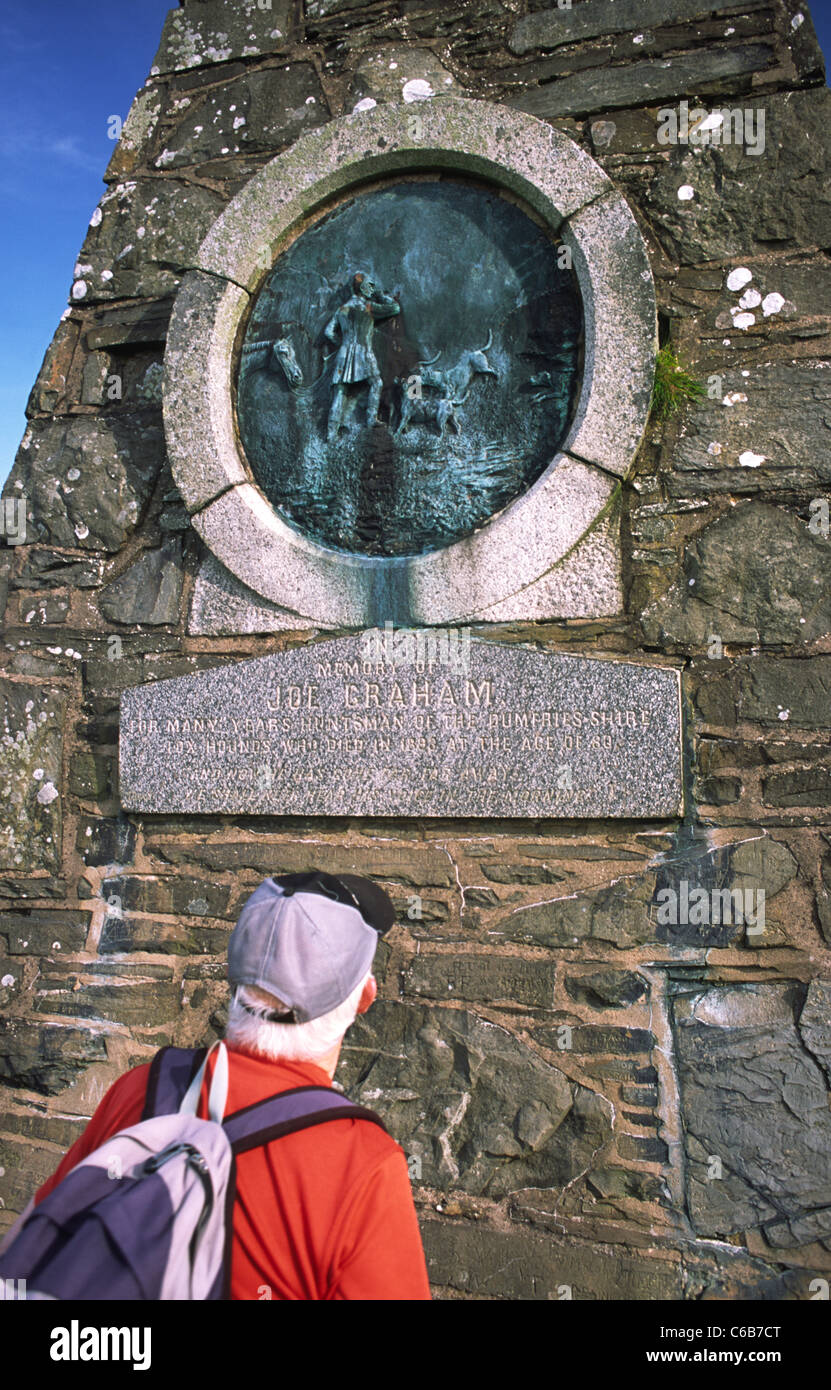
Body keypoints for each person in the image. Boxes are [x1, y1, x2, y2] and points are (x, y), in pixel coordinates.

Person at [14, 871, 431, 1301]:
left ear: (237, 988)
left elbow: (38, 1238)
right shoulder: (362, 1165)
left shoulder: (140, 1089)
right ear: (365, 997)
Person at [323, 272, 400, 439]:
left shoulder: (342, 309)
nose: (372, 290)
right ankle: (371, 419)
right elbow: (395, 308)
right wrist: (380, 295)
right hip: (364, 352)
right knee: (376, 383)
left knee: (340, 393)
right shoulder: (369, 307)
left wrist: (342, 344)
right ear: (366, 289)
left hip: (344, 353)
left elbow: (328, 332)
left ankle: (330, 433)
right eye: (371, 287)